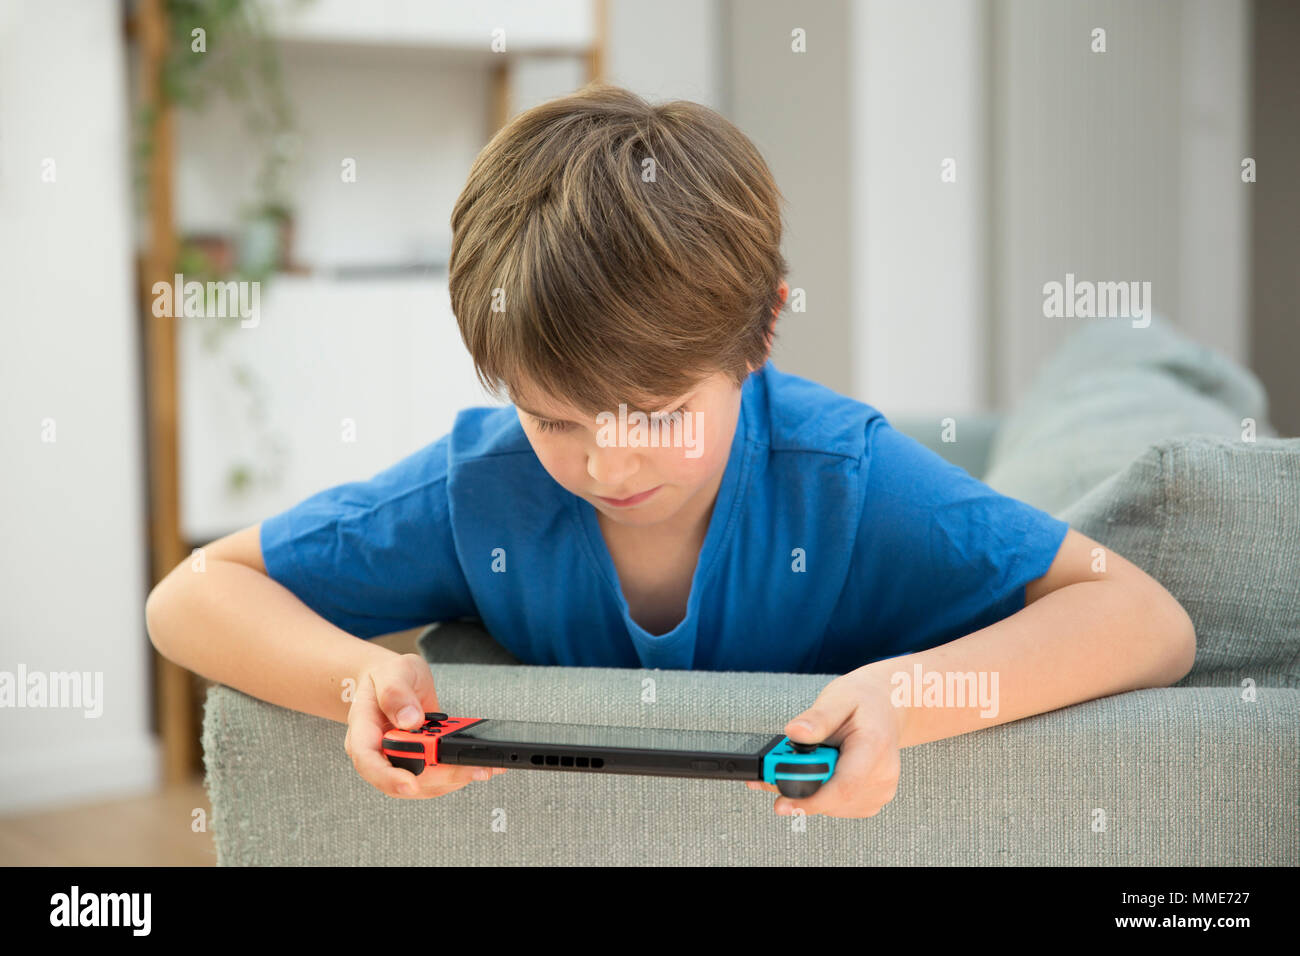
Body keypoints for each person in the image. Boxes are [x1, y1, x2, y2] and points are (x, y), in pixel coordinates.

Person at [146, 83, 1195, 819]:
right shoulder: (483, 486)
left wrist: (901, 700)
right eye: (553, 417)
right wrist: (356, 683)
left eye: (650, 408)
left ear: (762, 335)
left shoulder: (845, 477)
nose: (604, 464)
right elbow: (190, 594)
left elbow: (1143, 619)